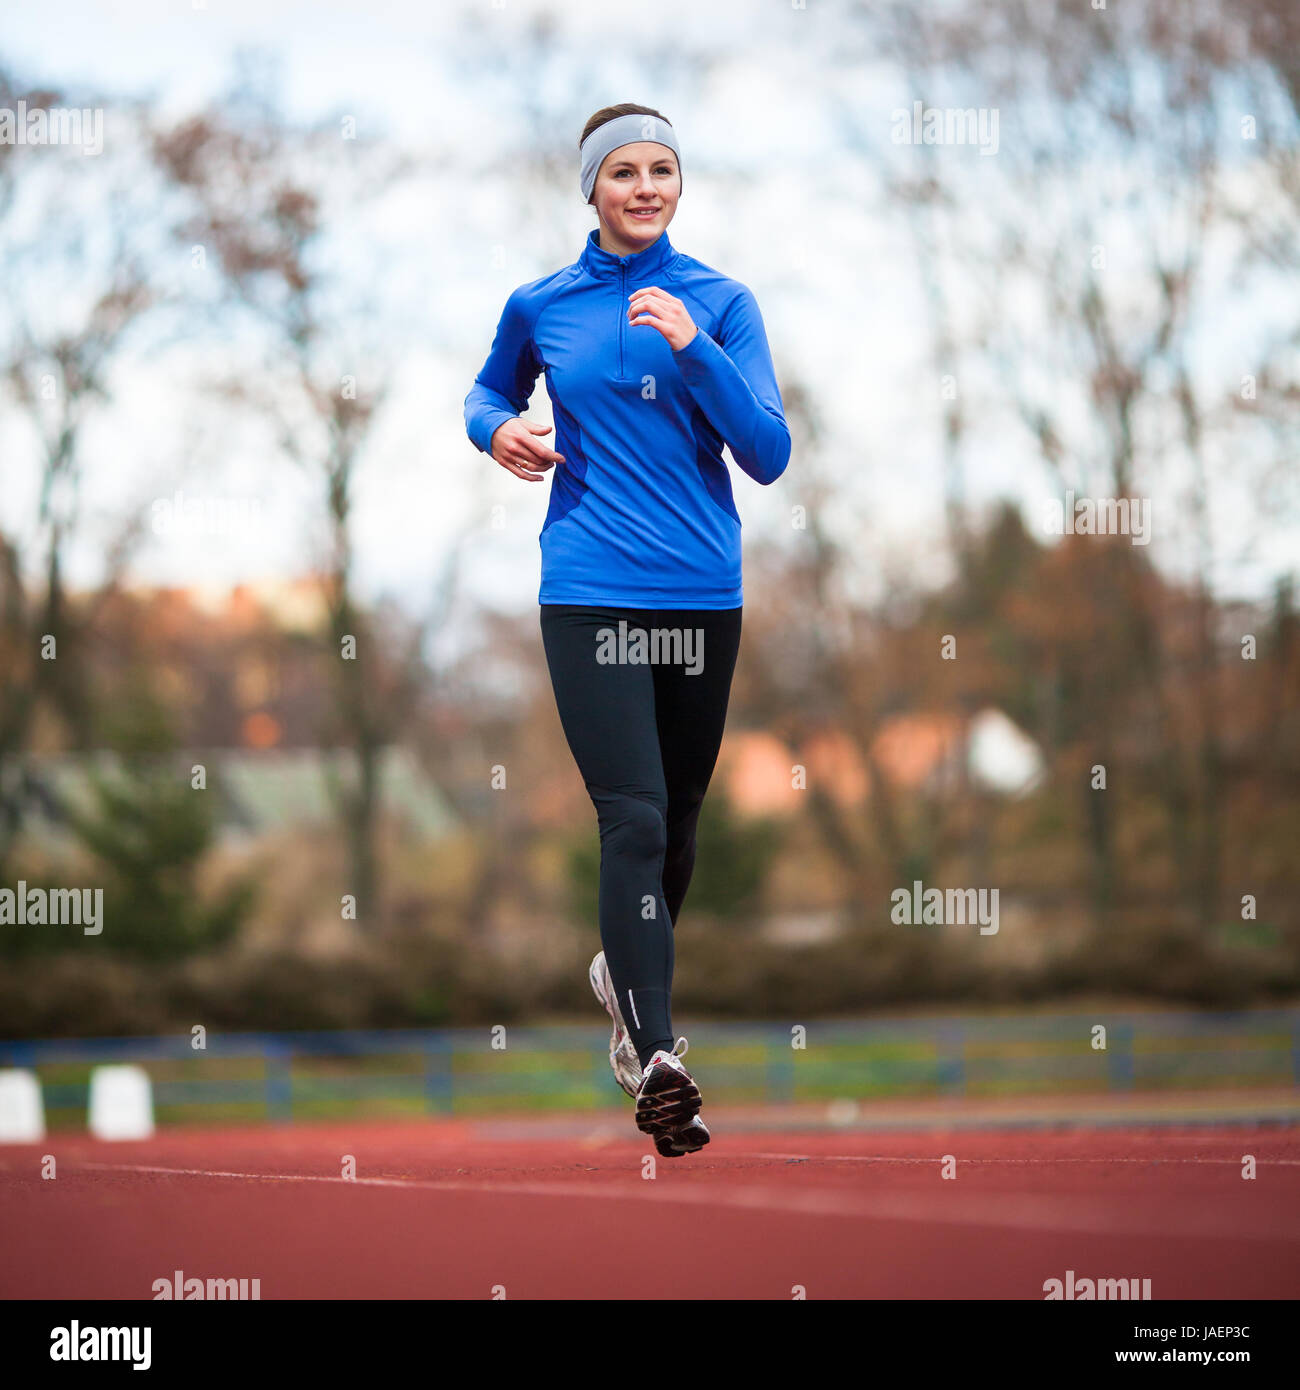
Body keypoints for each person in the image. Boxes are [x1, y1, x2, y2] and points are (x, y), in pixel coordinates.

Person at [464, 103, 790, 1156]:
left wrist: (697, 352)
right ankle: (656, 1055)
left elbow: (768, 451)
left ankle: (621, 975)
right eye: (624, 173)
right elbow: (483, 391)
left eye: (662, 170)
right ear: (591, 190)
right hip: (591, 584)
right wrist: (499, 431)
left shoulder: (722, 301)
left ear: (679, 187)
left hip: (701, 591)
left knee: (681, 824)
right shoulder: (541, 302)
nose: (644, 187)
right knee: (634, 818)